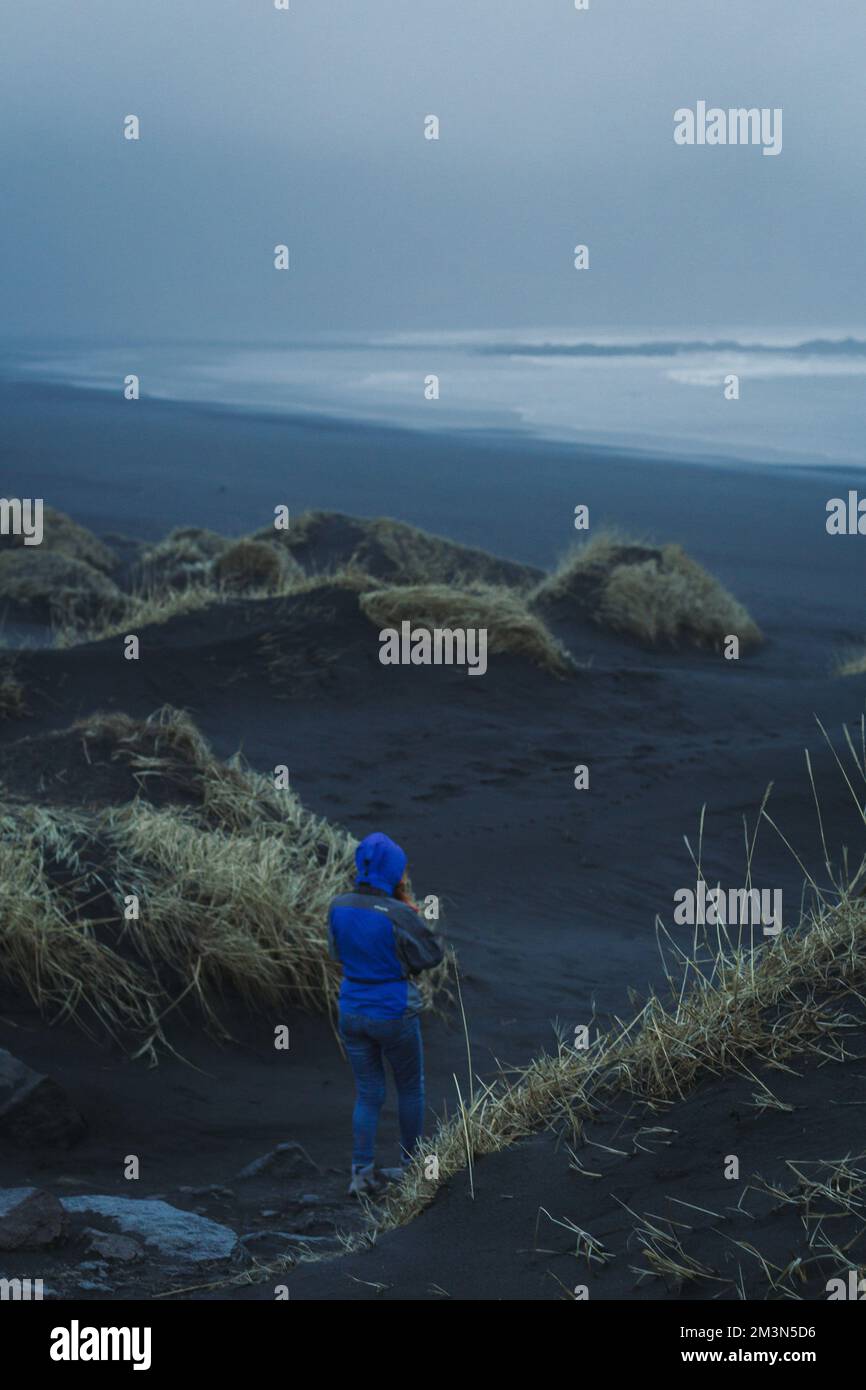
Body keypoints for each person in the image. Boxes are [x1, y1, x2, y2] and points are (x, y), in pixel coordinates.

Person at [328, 832, 444, 1197]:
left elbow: (335, 952)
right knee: (410, 1088)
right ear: (394, 871)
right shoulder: (398, 913)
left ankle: (360, 1175)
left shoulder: (338, 904)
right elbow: (431, 957)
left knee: (368, 1092)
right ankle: (411, 1167)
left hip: (351, 1009)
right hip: (393, 1012)